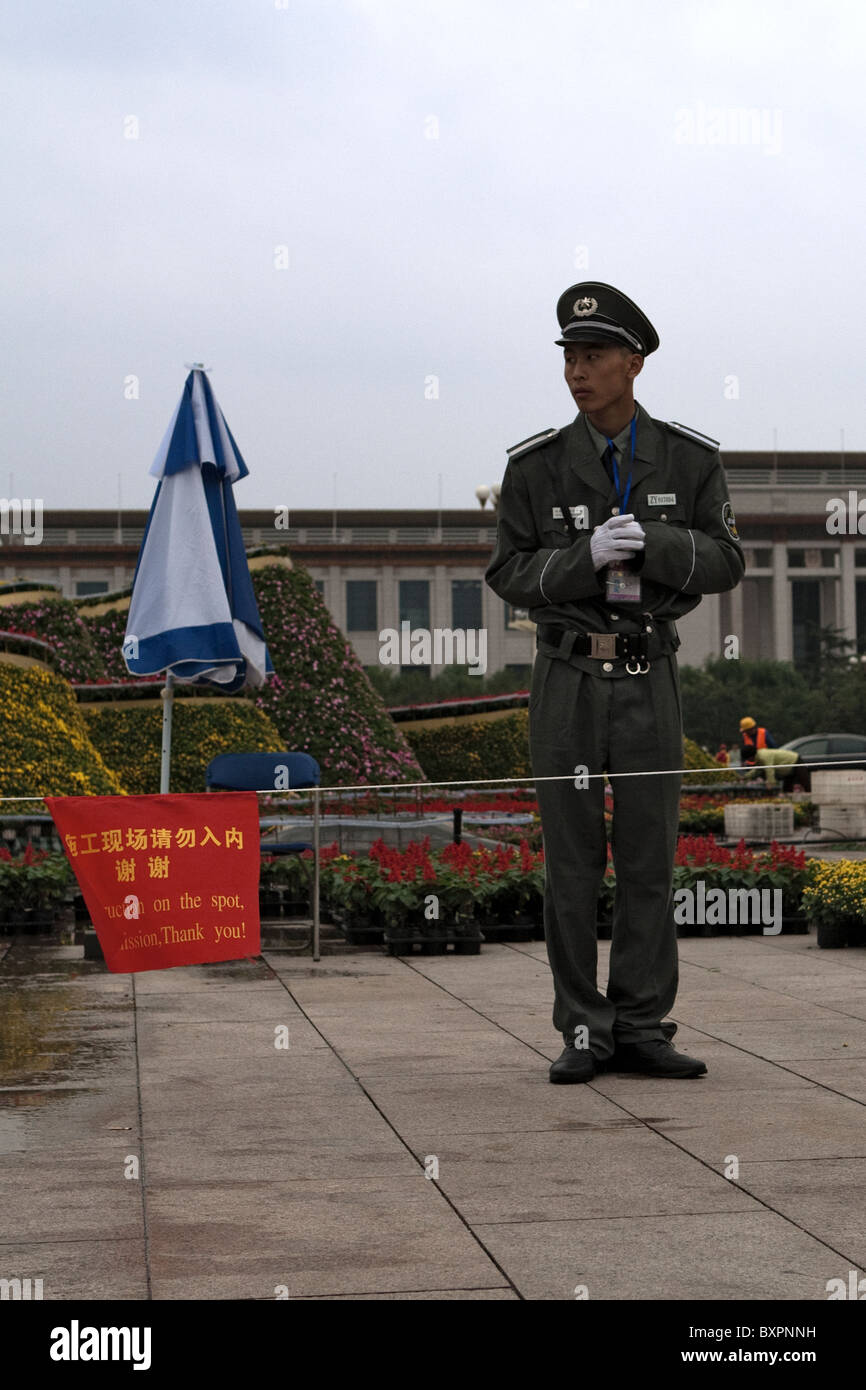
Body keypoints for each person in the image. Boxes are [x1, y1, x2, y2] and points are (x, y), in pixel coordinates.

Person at [485, 280, 744, 1082]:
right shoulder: (535, 467)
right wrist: (580, 560)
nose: (577, 371)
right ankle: (583, 1029)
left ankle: (640, 1024)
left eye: (594, 356)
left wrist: (657, 542)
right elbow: (507, 570)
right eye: (569, 356)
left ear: (633, 364)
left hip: (647, 674)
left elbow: (727, 561)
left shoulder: (689, 460)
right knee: (570, 859)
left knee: (648, 856)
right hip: (567, 675)